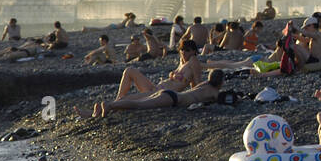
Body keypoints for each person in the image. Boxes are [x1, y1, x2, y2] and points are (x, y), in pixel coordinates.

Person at [77, 70, 226, 117]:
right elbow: (224, 99)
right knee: (138, 105)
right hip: (172, 98)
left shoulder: (203, 84)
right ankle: (108, 105)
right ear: (221, 82)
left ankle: (104, 108)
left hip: (167, 92)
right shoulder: (214, 92)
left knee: (137, 101)